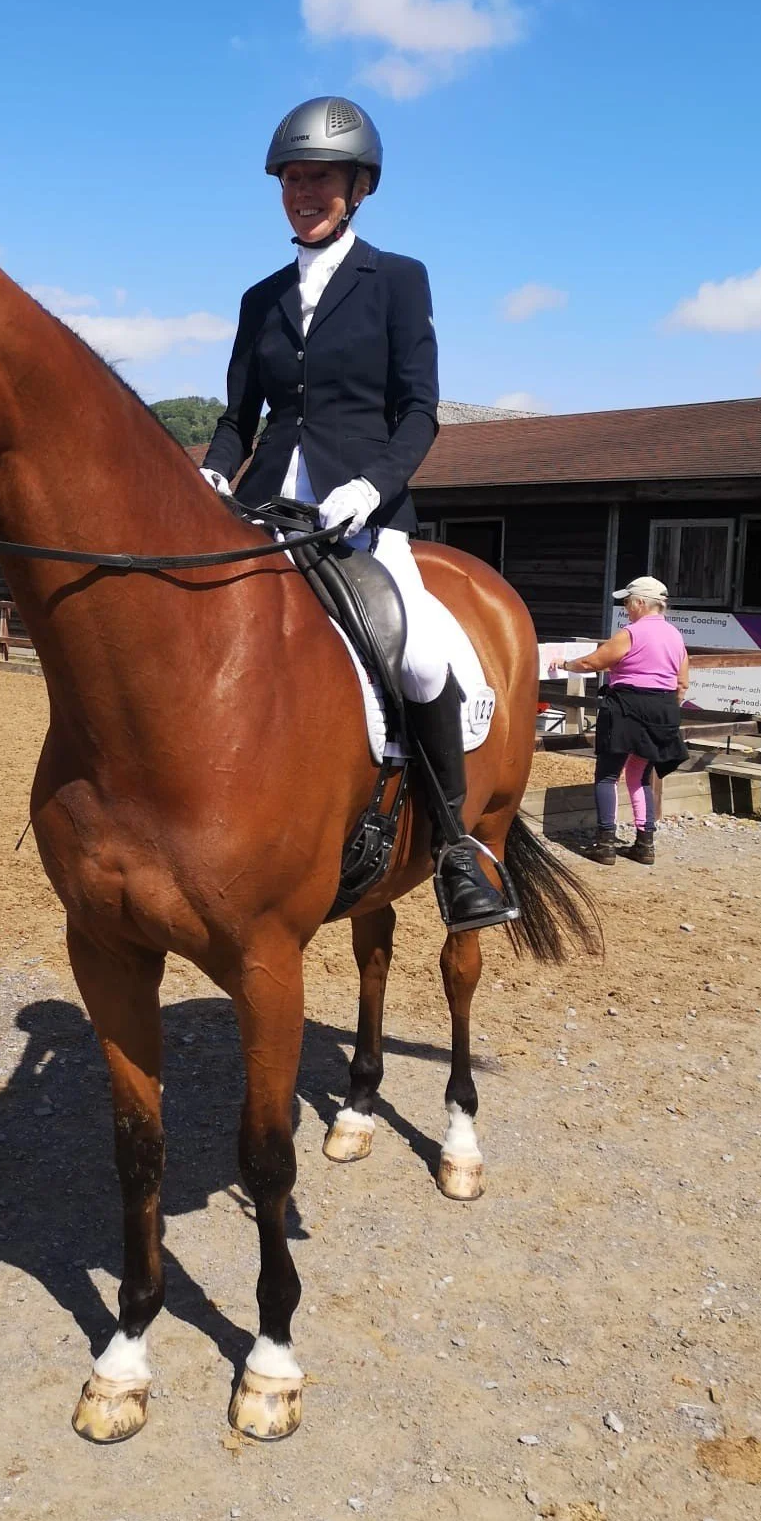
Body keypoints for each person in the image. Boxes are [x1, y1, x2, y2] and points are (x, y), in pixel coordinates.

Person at [199, 95, 512, 930]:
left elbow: (419, 410)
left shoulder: (398, 280)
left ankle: (452, 851)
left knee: (419, 659)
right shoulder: (259, 297)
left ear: (359, 187)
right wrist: (214, 473)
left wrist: (371, 487)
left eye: (322, 179)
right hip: (269, 509)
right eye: (293, 179)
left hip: (362, 515)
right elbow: (239, 419)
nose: (305, 192)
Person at [564, 576, 689, 866]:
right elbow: (682, 682)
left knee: (607, 774)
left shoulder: (630, 633)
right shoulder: (675, 636)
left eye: (628, 602)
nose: (625, 608)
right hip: (662, 708)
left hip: (626, 706)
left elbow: (592, 662)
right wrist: (669, 709)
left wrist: (565, 664)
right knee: (639, 775)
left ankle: (605, 842)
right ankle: (646, 843)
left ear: (641, 603)